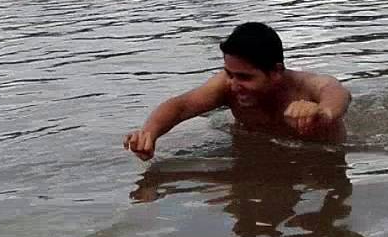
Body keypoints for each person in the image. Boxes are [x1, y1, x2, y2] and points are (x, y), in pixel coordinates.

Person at [124, 22, 351, 161]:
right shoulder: (227, 85)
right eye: (229, 73)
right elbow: (181, 105)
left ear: (276, 71)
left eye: (245, 77)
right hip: (259, 150)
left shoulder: (304, 86)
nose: (233, 84)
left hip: (321, 153)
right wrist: (149, 134)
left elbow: (337, 91)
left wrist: (323, 113)